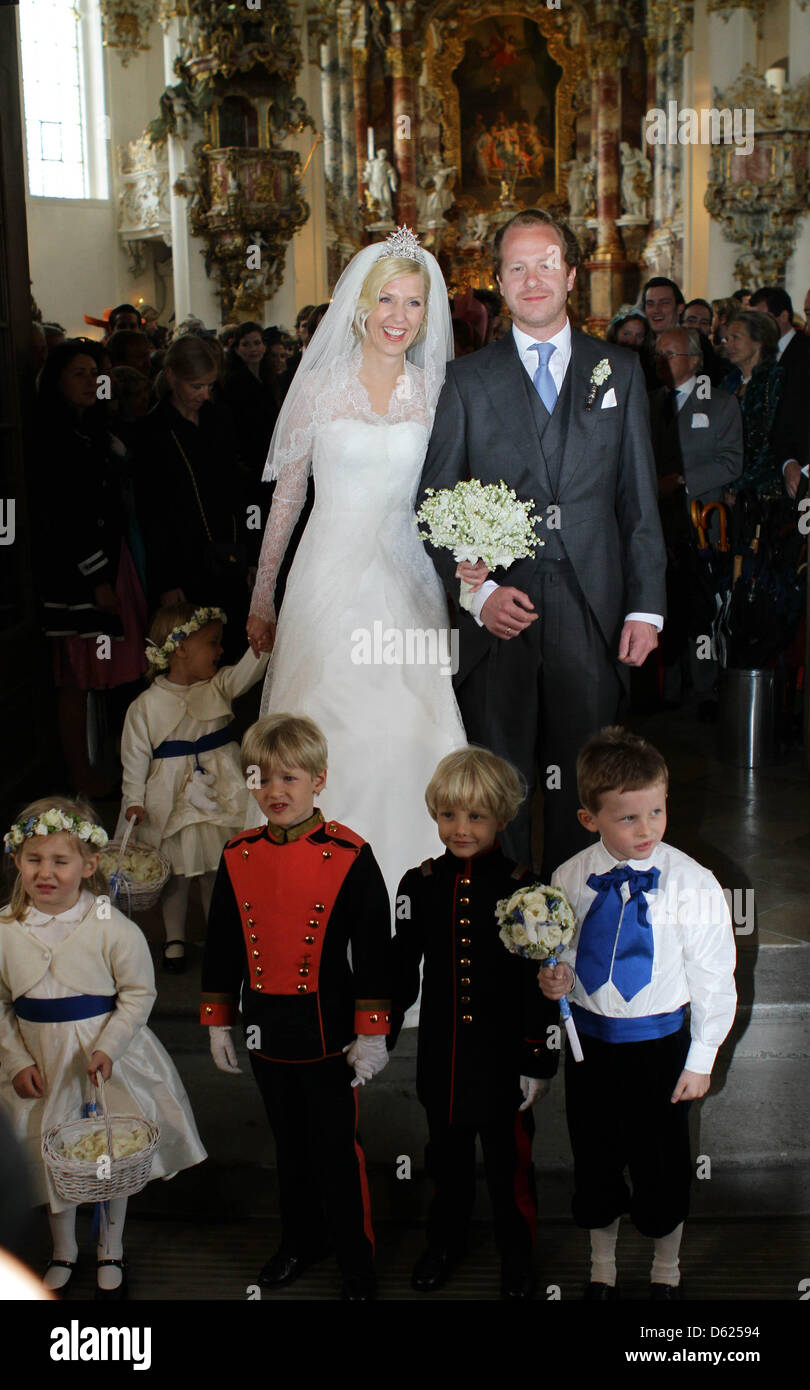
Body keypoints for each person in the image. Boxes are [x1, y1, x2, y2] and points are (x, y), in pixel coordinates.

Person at [419, 208, 666, 878]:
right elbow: (433, 505)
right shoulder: (466, 380)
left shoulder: (619, 370)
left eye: (547, 264)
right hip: (502, 618)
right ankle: (502, 918)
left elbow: (638, 500)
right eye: (518, 267)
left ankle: (574, 913)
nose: (533, 280)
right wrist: (478, 593)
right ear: (499, 281)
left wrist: (646, 608)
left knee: (587, 783)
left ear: (572, 274)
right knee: (500, 784)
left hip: (593, 609)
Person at [246, 230, 467, 903]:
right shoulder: (318, 387)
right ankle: (309, 897)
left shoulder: (436, 393)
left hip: (408, 582)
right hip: (326, 581)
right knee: (323, 727)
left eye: (414, 302)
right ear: (361, 306)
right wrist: (262, 596)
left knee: (407, 729)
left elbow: (450, 495)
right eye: (387, 300)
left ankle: (412, 892)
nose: (399, 316)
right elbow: (287, 499)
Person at [538, 727, 736, 1299]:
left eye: (656, 812)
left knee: (662, 1164)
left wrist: (701, 1058)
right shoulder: (568, 878)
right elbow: (562, 954)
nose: (646, 829)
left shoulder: (694, 884)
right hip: (590, 1049)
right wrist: (553, 978)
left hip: (661, 1049)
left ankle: (665, 1269)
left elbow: (713, 976)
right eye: (628, 819)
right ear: (589, 819)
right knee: (595, 1158)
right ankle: (601, 1266)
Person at [201, 715, 392, 1300]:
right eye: (262, 779)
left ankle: (356, 1261)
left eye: (289, 777)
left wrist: (373, 1032)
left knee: (336, 1150)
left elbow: (374, 951)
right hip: (264, 1027)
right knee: (288, 1146)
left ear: (319, 779)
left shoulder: (350, 853)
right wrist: (218, 1021)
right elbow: (223, 942)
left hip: (328, 1030)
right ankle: (300, 1241)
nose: (275, 791)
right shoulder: (238, 854)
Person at [0, 796, 206, 1298]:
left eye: (60, 861)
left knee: (109, 1150)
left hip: (101, 1059)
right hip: (40, 1061)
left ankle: (110, 1246)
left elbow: (138, 993)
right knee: (52, 1153)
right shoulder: (6, 929)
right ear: (17, 861)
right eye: (33, 859)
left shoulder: (111, 927)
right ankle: (64, 1248)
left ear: (89, 865)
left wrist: (110, 1046)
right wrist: (16, 1060)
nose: (45, 872)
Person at [390, 748, 558, 1300]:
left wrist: (536, 1057)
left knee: (511, 1167)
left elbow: (538, 982)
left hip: (503, 1059)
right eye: (449, 815)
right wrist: (377, 1032)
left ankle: (518, 1256)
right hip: (442, 1057)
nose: (460, 829)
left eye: (476, 816)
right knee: (447, 1162)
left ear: (503, 817)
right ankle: (444, 1244)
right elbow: (401, 968)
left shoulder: (526, 890)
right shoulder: (419, 884)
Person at [116, 603, 268, 973]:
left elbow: (249, 670)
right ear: (181, 648)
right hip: (172, 800)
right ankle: (174, 939)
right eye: (212, 642)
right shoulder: (146, 706)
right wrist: (134, 800)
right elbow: (135, 758)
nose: (220, 650)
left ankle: (219, 936)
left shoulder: (219, 685)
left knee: (218, 869)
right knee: (177, 874)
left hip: (219, 792)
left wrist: (264, 645)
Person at [34, 341, 147, 795]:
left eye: (95, 374)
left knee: (112, 671)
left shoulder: (96, 428)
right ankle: (81, 776)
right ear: (57, 380)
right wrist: (97, 577)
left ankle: (117, 767)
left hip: (113, 561)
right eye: (78, 373)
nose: (90, 382)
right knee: (77, 679)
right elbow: (61, 515)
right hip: (78, 574)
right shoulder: (52, 435)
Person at [133, 334, 251, 661]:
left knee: (232, 651)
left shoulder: (219, 417)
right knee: (192, 655)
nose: (204, 394)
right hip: (183, 562)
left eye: (209, 385)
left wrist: (251, 554)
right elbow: (151, 511)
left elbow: (238, 490)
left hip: (228, 554)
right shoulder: (152, 430)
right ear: (171, 376)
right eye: (195, 386)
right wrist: (166, 580)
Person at [749, 286, 810, 498]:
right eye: (807, 314)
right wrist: (788, 462)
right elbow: (783, 421)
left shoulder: (801, 352)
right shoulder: (800, 365)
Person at [718, 309, 786, 498]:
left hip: (762, 491)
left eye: (736, 338)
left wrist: (740, 486)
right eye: (727, 339)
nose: (728, 344)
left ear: (759, 341)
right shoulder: (728, 382)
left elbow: (772, 441)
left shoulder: (774, 379)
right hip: (726, 483)